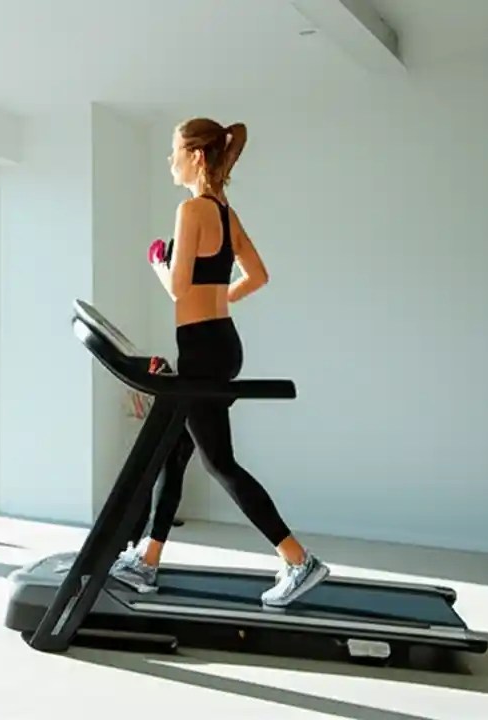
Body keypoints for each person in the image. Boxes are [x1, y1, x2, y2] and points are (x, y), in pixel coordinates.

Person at [109, 117, 330, 608]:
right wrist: (217, 302)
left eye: (174, 151)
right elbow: (258, 275)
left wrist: (157, 263)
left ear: (197, 157)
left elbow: (178, 288)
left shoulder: (190, 211)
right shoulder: (225, 214)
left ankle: (297, 558)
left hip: (203, 348)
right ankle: (148, 561)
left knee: (219, 462)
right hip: (223, 342)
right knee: (176, 452)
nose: (169, 160)